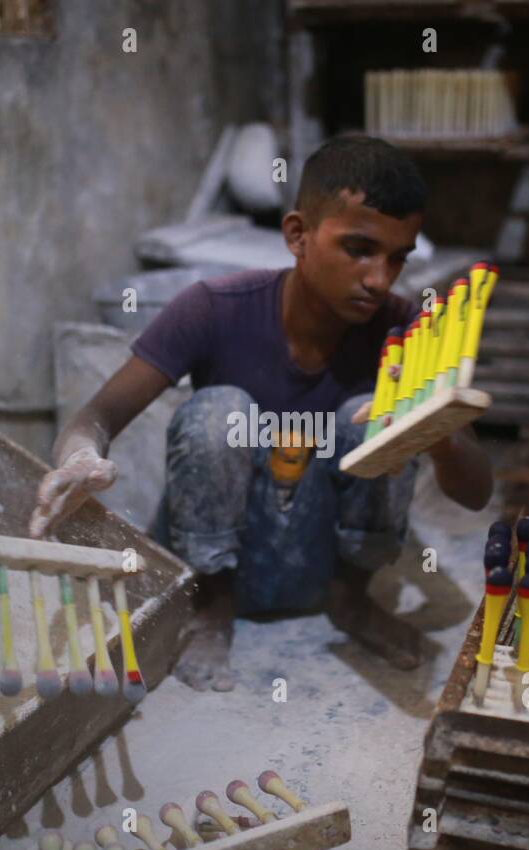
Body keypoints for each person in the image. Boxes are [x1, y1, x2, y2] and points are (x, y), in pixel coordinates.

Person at [30, 134, 492, 691]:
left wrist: (432, 427)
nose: (380, 278)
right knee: (222, 410)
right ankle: (212, 608)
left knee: (375, 415)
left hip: (320, 563)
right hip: (222, 553)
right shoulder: (213, 309)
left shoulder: (402, 331)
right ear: (297, 235)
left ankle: (352, 601)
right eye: (359, 249)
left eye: (397, 258)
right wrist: (80, 458)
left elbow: (475, 492)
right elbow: (96, 417)